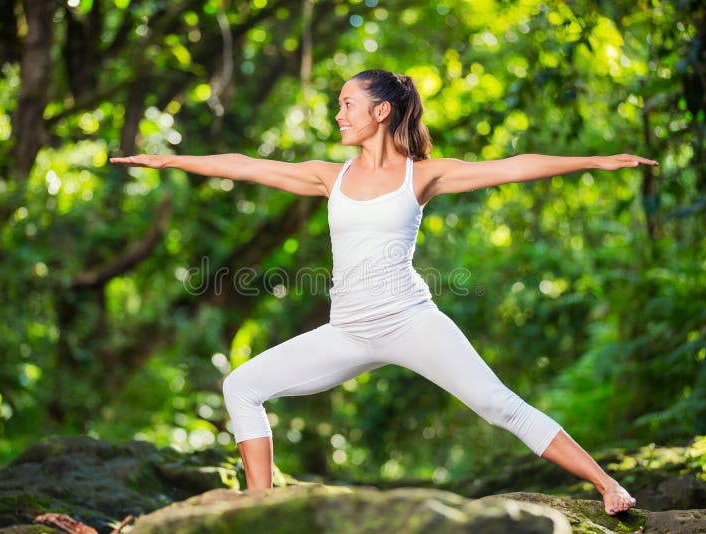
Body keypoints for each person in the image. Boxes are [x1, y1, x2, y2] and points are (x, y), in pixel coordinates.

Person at [111, 68, 657, 515]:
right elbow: (248, 167)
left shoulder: (420, 176)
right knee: (242, 387)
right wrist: (168, 159)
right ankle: (260, 512)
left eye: (347, 103)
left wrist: (597, 160)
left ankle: (607, 484)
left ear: (381, 111)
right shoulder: (331, 176)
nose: (338, 113)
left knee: (498, 404)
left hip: (410, 321)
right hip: (348, 331)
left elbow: (513, 167)